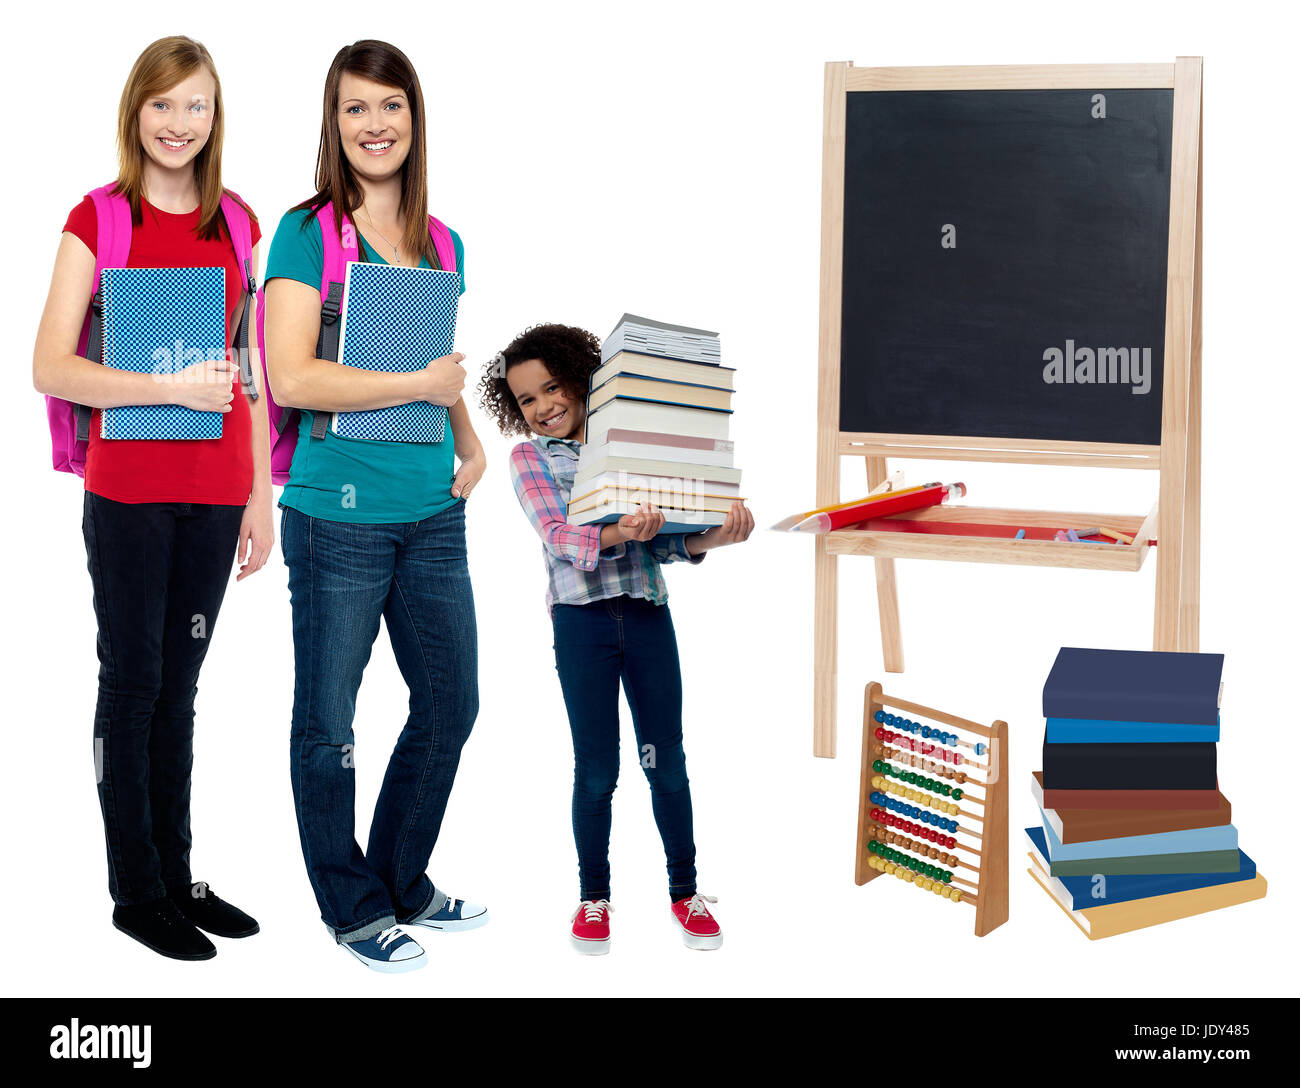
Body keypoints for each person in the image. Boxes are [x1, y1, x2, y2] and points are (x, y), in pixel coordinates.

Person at [32, 36, 272, 961]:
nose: (180, 125)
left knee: (183, 689)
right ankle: (135, 890)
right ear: (137, 112)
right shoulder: (98, 218)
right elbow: (51, 364)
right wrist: (171, 389)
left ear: (216, 117)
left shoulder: (238, 221)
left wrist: (258, 494)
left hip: (217, 494)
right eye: (164, 106)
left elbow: (248, 367)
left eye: (198, 107)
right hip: (128, 491)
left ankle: (177, 874)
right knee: (131, 684)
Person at [262, 40, 486, 974]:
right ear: (334, 122)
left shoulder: (443, 241)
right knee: (330, 721)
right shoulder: (306, 232)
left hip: (431, 507)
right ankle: (350, 907)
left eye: (389, 105)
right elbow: (291, 374)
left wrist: (468, 441)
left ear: (413, 115)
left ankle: (398, 878)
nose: (375, 125)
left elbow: (439, 370)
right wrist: (419, 381)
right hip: (335, 512)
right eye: (355, 109)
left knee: (450, 702)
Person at [479, 323, 754, 954]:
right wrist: (621, 532)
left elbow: (664, 542)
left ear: (580, 380)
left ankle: (685, 891)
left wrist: (717, 535)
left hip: (648, 614)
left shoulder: (624, 445)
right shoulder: (529, 459)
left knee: (668, 762)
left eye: (553, 387)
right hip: (583, 625)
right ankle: (593, 897)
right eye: (527, 399)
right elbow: (559, 537)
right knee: (598, 769)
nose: (544, 406)